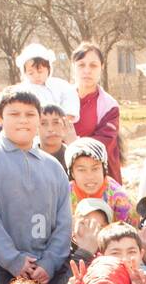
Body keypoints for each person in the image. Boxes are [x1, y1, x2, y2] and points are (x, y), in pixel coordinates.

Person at [0, 86, 73, 284]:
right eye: (14, 114)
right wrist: (13, 259)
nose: (23, 120)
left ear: (39, 119)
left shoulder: (53, 167)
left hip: (46, 270)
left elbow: (64, 222)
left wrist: (49, 262)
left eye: (30, 114)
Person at [70, 41, 123, 183]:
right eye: (81, 65)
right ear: (73, 67)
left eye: (93, 65)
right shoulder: (61, 100)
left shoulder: (109, 106)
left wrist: (73, 143)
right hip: (67, 172)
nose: (87, 70)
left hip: (99, 174)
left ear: (101, 68)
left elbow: (104, 142)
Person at [66, 137, 134, 225]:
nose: (89, 176)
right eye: (81, 170)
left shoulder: (120, 198)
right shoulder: (64, 196)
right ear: (72, 173)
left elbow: (131, 233)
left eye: (95, 169)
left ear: (104, 169)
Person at [15, 42, 80, 122]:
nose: (36, 76)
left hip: (61, 125)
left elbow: (71, 100)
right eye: (31, 73)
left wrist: (65, 118)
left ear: (48, 69)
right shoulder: (23, 90)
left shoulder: (60, 85)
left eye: (40, 71)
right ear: (24, 73)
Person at [37, 103, 69, 170]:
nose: (50, 129)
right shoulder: (28, 157)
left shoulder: (71, 155)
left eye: (56, 123)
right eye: (43, 123)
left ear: (65, 124)